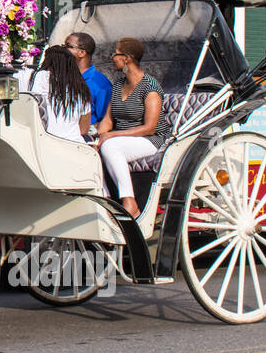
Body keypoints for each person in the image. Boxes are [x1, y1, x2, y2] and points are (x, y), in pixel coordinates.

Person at [95, 37, 169, 219]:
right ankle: (105, 199)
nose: (112, 57)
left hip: (150, 140)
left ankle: (130, 202)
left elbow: (150, 128)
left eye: (115, 54)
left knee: (111, 146)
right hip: (122, 139)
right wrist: (99, 137)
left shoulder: (150, 86)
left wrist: (111, 136)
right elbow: (108, 119)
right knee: (92, 150)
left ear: (126, 58)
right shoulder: (119, 84)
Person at [18, 45, 93, 143]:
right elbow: (83, 129)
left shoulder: (34, 77)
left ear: (47, 61)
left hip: (44, 143)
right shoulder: (81, 88)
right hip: (74, 145)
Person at [65, 31, 113, 124]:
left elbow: (104, 120)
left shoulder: (101, 85)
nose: (63, 50)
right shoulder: (60, 76)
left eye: (68, 46)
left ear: (82, 53)